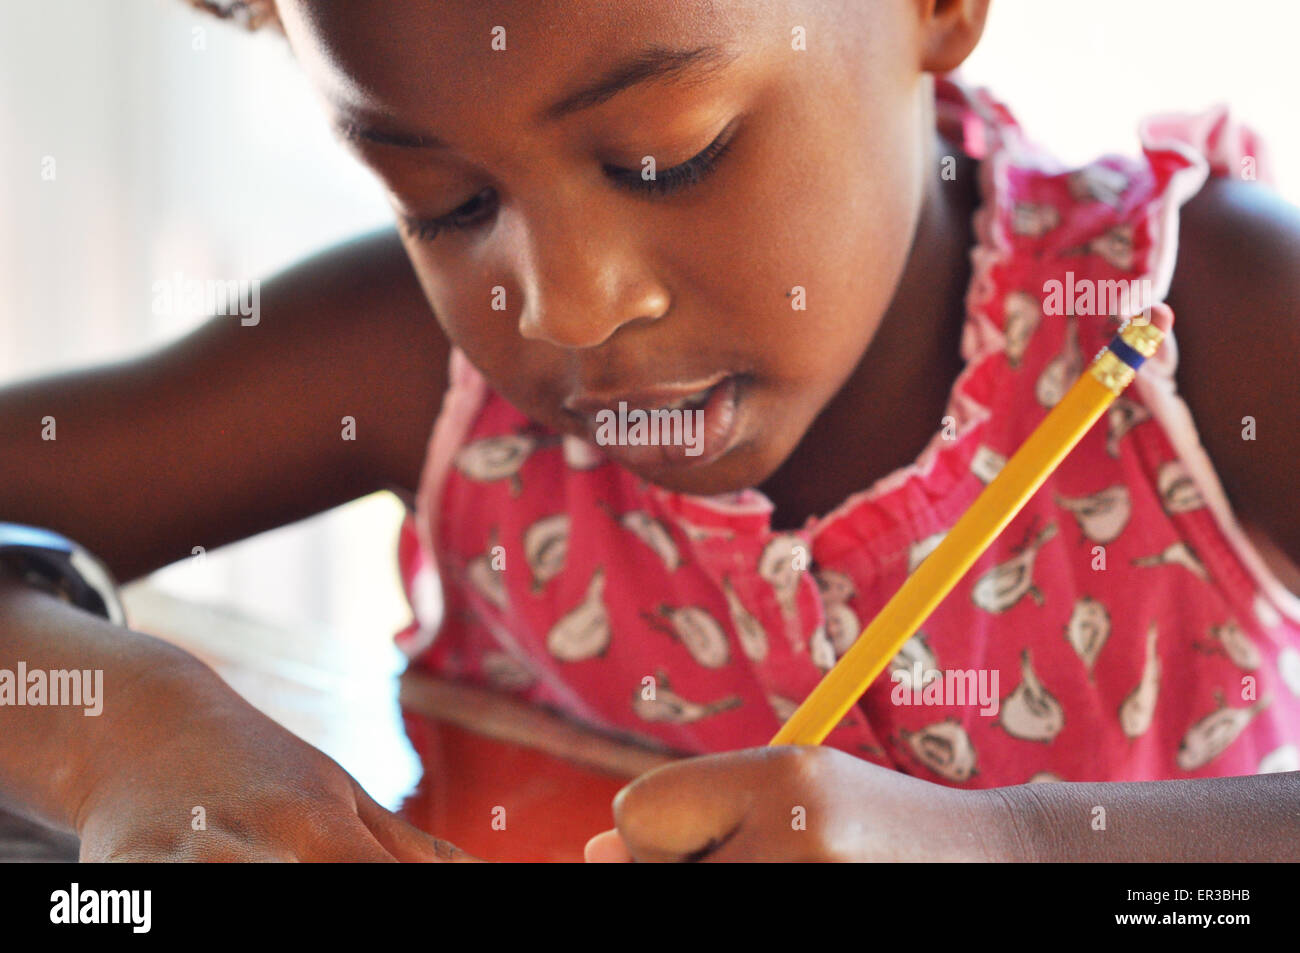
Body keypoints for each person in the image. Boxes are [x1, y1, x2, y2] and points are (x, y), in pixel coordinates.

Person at [1, 0, 1297, 862]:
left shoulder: (1205, 326)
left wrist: (1014, 844)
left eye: (666, 158)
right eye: (445, 202)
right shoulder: (410, 357)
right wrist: (122, 722)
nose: (568, 305)